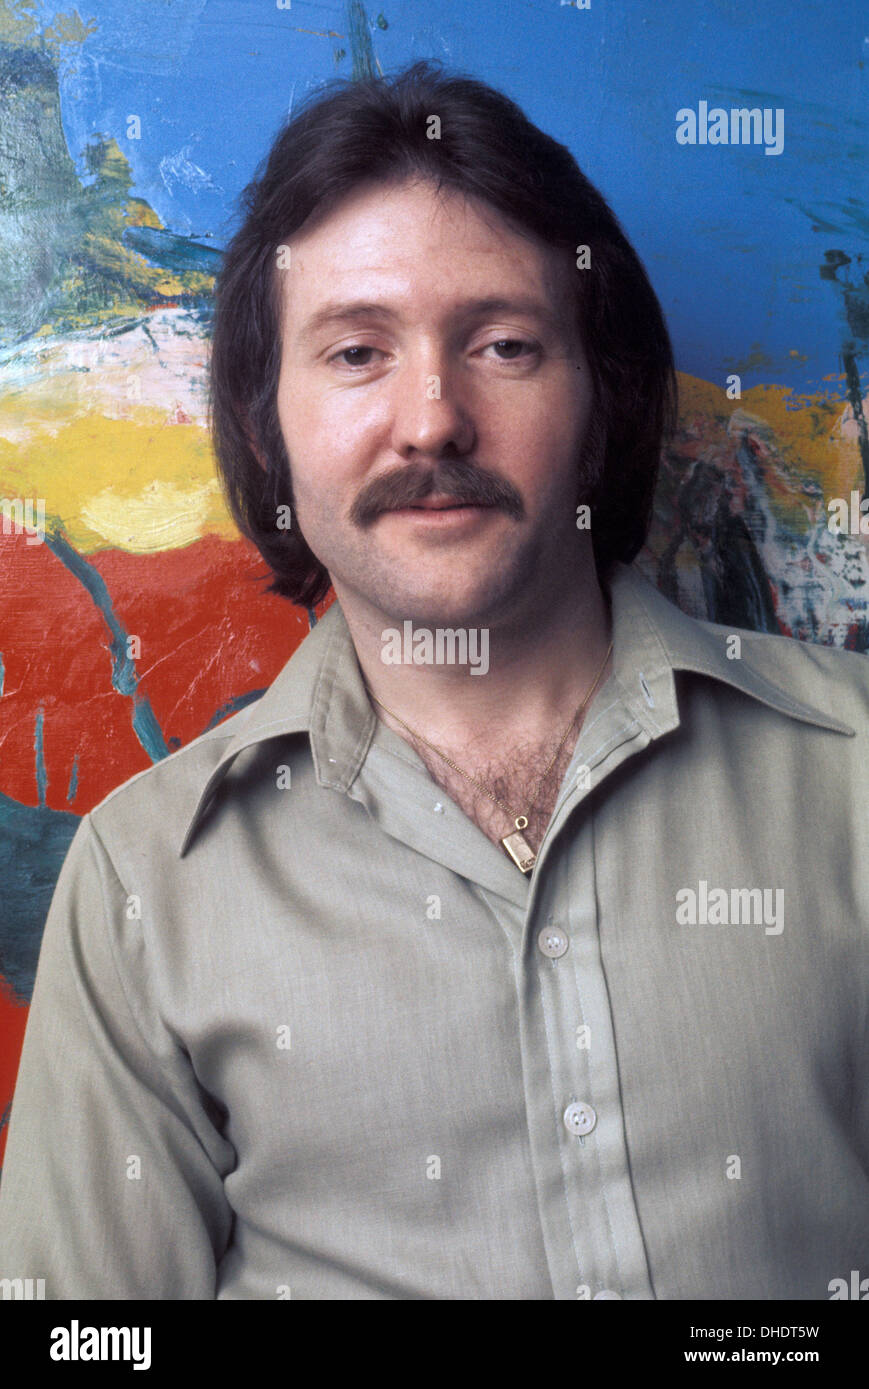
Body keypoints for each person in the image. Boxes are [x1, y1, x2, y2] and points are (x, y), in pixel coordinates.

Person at [0, 60, 866, 1302]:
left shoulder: (851, 777)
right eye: (355, 352)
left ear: (602, 400)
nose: (431, 422)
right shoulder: (143, 884)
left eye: (503, 345)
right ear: (264, 428)